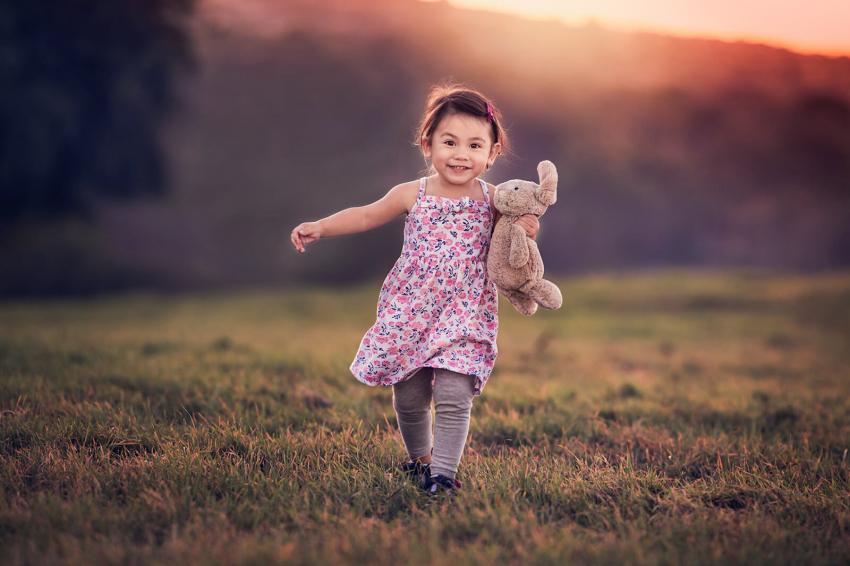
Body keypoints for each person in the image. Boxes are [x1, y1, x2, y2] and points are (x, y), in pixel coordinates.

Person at [290, 84, 540, 495]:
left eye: (475, 145)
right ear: (428, 144)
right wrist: (322, 226)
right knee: (409, 396)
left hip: (466, 312)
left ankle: (443, 475)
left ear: (492, 153)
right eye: (449, 142)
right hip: (410, 310)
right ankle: (419, 460)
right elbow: (366, 215)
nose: (461, 154)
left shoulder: (495, 200)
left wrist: (529, 228)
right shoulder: (412, 194)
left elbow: (521, 234)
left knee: (455, 392)